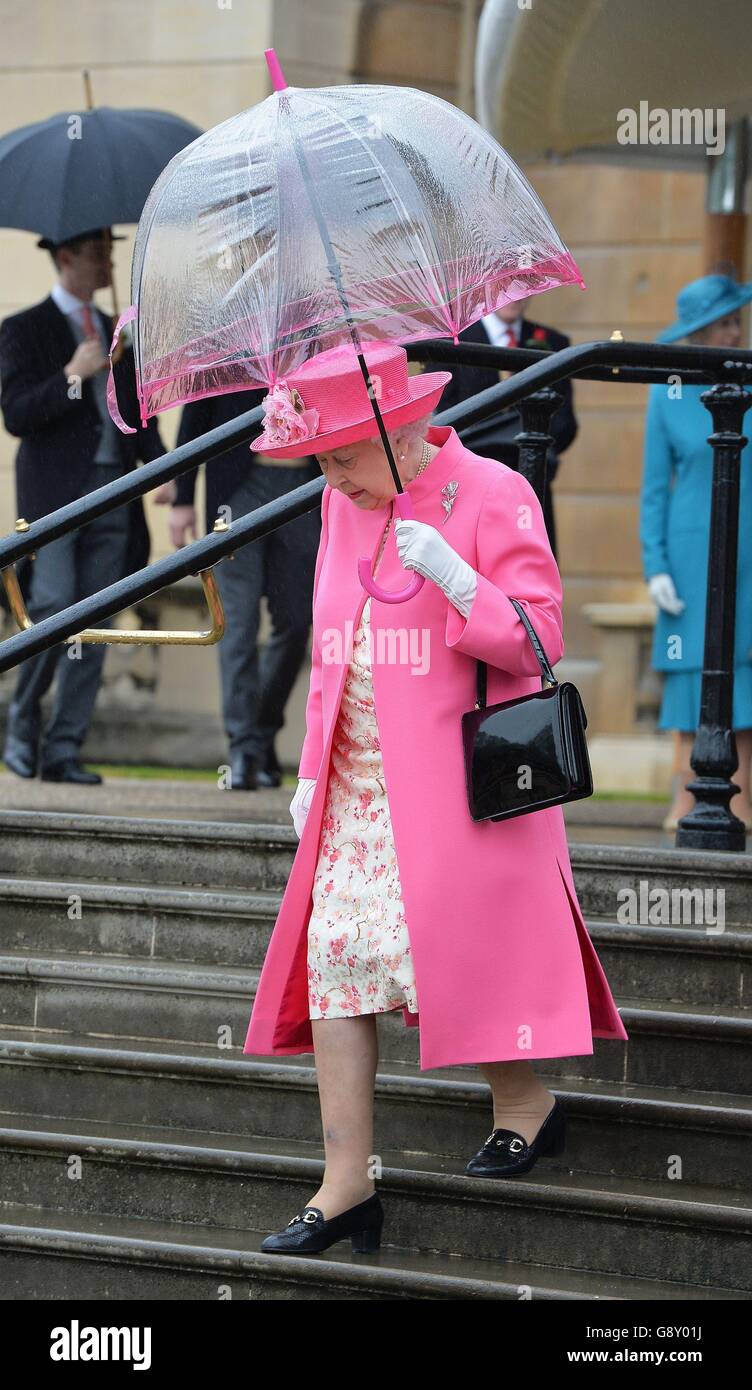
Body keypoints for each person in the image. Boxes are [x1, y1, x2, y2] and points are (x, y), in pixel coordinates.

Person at [241, 340, 628, 1256]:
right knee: (338, 963)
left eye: (341, 451)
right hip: (357, 783)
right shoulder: (344, 504)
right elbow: (333, 644)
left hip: (460, 778)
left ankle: (526, 1102)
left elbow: (539, 644)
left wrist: (460, 580)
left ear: (398, 424)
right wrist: (307, 770)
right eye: (320, 457)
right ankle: (345, 1187)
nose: (329, 474)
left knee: (447, 947)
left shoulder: (493, 491)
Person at [0, 226, 164, 783]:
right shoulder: (24, 329)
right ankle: (22, 728)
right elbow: (18, 415)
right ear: (65, 256)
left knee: (95, 622)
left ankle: (65, 748)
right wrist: (72, 377)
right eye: (98, 254)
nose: (107, 266)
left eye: (110, 254)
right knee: (53, 610)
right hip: (54, 501)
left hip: (113, 493)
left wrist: (161, 467)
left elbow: (138, 418)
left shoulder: (120, 333)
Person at [157, 391, 321, 790]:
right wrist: (182, 497)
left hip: (305, 487)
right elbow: (195, 419)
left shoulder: (315, 340)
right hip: (236, 489)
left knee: (297, 623)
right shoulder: (226, 343)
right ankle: (244, 746)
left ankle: (261, 731)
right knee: (239, 623)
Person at [641, 273, 752, 832]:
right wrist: (654, 564)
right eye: (723, 322)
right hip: (690, 548)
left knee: (746, 668)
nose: (733, 331)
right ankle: (684, 798)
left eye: (736, 320)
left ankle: (746, 798)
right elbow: (654, 487)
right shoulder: (669, 387)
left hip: (750, 544)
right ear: (699, 330)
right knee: (689, 670)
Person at [421, 296, 577, 560]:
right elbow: (444, 417)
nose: (516, 295)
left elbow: (565, 424)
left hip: (530, 480)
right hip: (471, 483)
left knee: (530, 566)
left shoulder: (552, 343)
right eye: (507, 286)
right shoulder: (452, 342)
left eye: (524, 283)